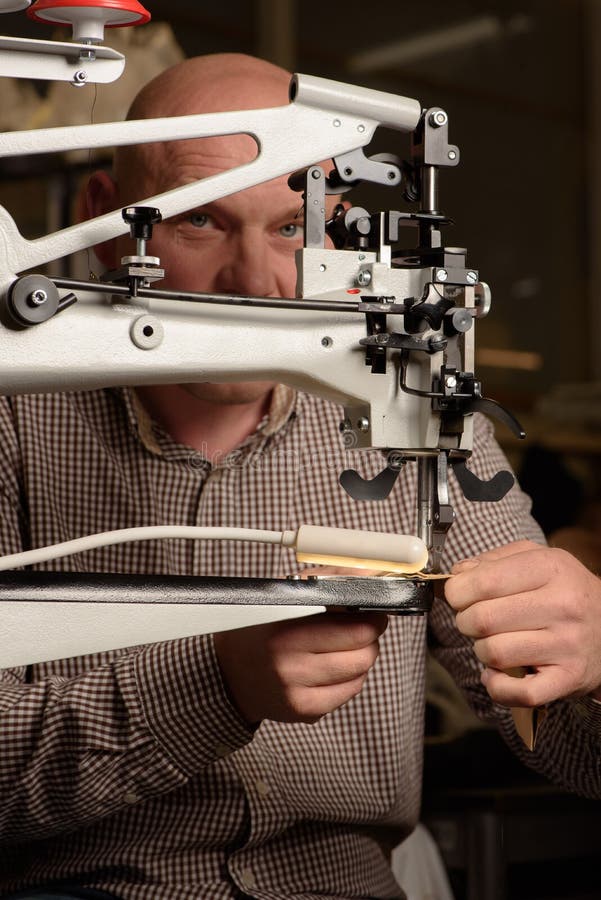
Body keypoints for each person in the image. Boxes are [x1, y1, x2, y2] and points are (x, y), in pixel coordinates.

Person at [0, 52, 600, 900]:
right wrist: (215, 686)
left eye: (291, 228)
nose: (257, 282)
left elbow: (569, 750)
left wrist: (593, 661)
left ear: (340, 231)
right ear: (99, 217)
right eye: (198, 222)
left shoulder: (408, 396)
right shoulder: (16, 419)